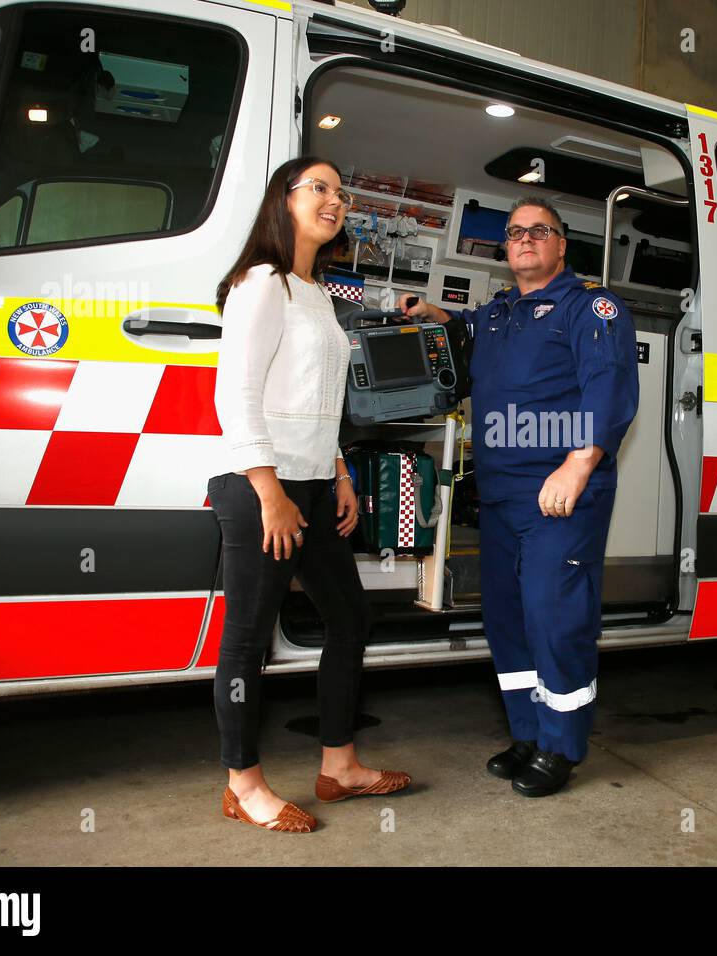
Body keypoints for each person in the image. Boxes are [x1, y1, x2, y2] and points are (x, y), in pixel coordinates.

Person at [398, 197, 639, 796]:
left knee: (556, 618)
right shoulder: (500, 312)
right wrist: (430, 311)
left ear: (561, 245)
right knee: (508, 620)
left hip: (558, 493)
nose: (525, 240)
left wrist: (579, 465)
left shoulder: (592, 308)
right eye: (514, 233)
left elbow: (608, 386)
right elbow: (467, 332)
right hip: (500, 496)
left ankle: (562, 746)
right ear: (505, 249)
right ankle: (528, 733)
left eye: (540, 231)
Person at [209, 156, 411, 833]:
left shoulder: (318, 294)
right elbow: (235, 393)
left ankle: (340, 766)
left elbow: (322, 402)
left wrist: (342, 474)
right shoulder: (262, 282)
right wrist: (269, 492)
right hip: (264, 487)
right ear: (284, 201)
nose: (335, 200)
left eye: (341, 192)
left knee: (351, 620)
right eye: (318, 188)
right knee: (245, 644)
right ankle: (243, 783)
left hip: (316, 485)